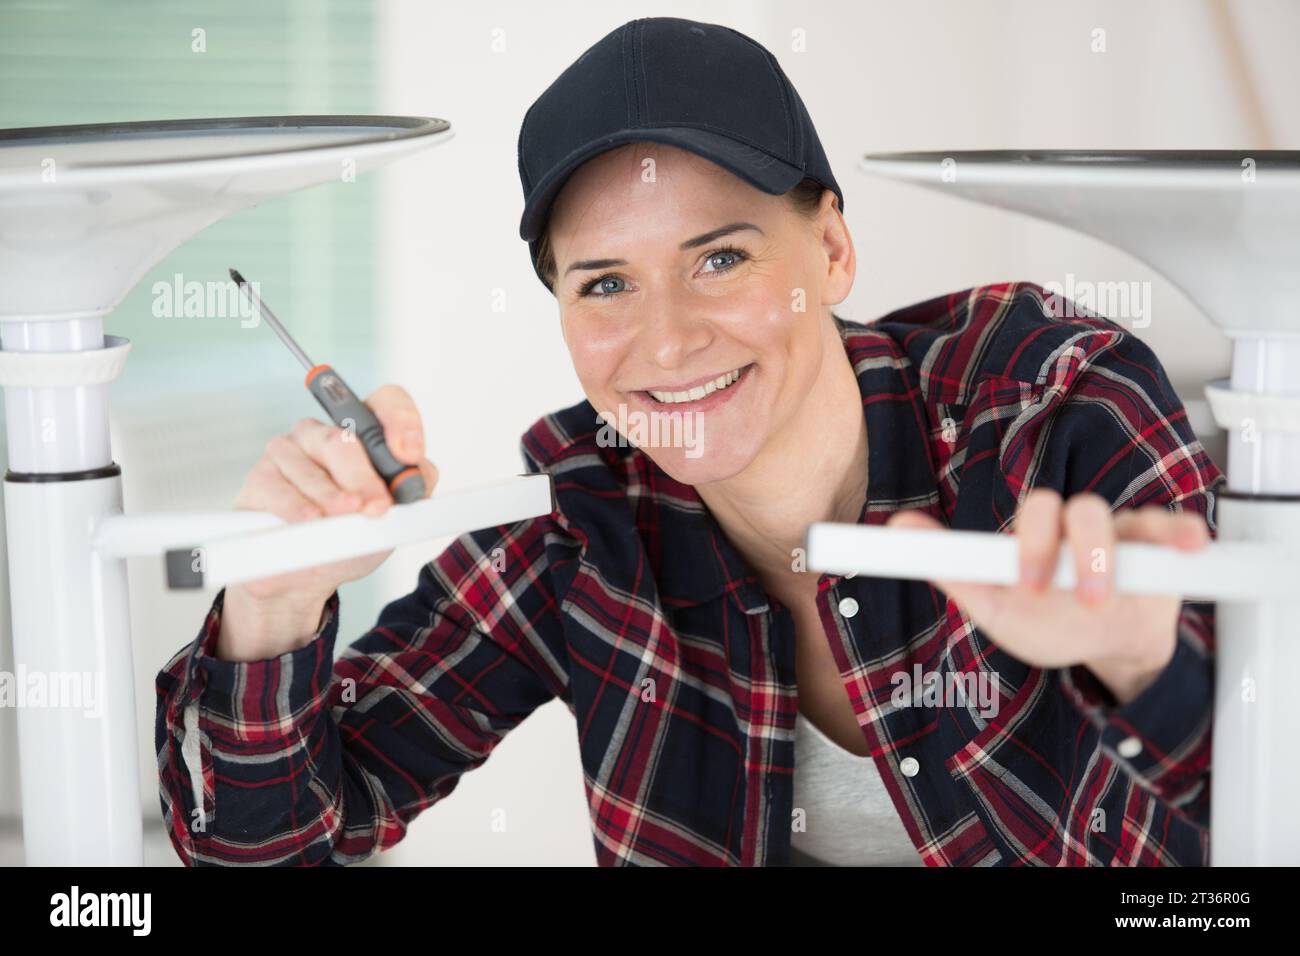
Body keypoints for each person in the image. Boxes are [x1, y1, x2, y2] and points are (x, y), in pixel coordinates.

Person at [155, 16, 1222, 866]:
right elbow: (272, 849)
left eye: (719, 259)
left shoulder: (1045, 403)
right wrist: (274, 606)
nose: (663, 341)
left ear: (833, 249)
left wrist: (1139, 660)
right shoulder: (582, 516)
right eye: (606, 283)